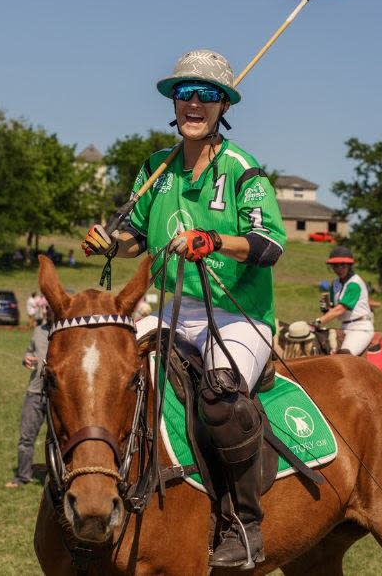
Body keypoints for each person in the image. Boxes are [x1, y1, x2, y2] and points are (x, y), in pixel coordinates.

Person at [82, 48, 286, 568]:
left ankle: (243, 522)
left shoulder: (243, 169)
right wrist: (109, 241)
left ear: (224, 106)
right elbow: (133, 238)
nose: (194, 104)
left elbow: (270, 244)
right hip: (173, 308)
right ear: (174, 103)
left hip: (238, 317)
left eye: (208, 95)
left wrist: (215, 240)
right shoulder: (156, 168)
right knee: (104, 368)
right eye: (185, 94)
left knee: (219, 399)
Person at [5, 309, 50, 488]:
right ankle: (23, 476)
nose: (49, 312)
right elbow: (29, 352)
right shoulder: (38, 331)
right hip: (35, 393)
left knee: (60, 441)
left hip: (57, 395)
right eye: (48, 309)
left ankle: (60, 479)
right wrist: (27, 359)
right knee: (26, 438)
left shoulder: (66, 330)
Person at [316, 246, 374, 356]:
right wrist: (326, 309)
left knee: (345, 356)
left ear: (349, 266)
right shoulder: (335, 283)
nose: (339, 269)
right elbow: (333, 309)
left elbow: (340, 309)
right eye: (335, 266)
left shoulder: (354, 283)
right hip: (343, 327)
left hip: (360, 327)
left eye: (343, 265)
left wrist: (318, 322)